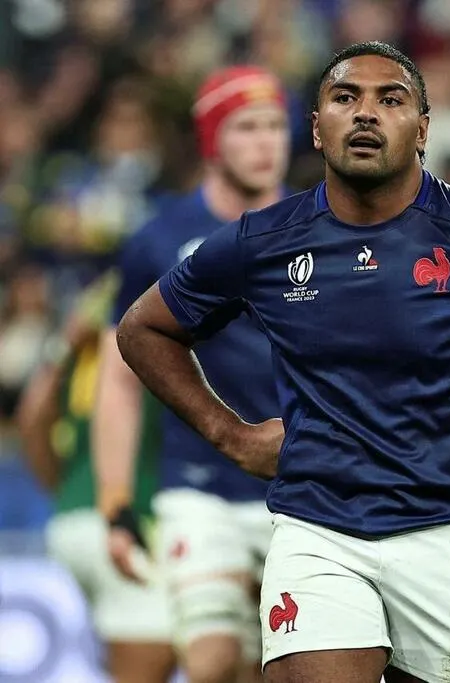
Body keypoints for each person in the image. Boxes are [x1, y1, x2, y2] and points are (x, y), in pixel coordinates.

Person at [113, 41, 450, 683]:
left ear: (423, 129)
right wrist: (229, 434)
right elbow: (144, 328)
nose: (366, 113)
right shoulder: (263, 241)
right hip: (317, 528)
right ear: (317, 129)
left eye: (391, 99)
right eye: (345, 98)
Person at [92, 65, 291, 683]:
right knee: (211, 661)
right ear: (211, 141)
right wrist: (117, 503)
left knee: (282, 667)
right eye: (246, 127)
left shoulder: (323, 228)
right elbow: (119, 378)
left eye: (277, 126)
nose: (266, 143)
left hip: (303, 483)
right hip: (200, 485)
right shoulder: (158, 241)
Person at [16, 272, 177, 683]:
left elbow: (31, 418)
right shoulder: (158, 321)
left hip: (73, 521)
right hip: (128, 522)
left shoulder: (80, 346)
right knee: (147, 662)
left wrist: (68, 494)